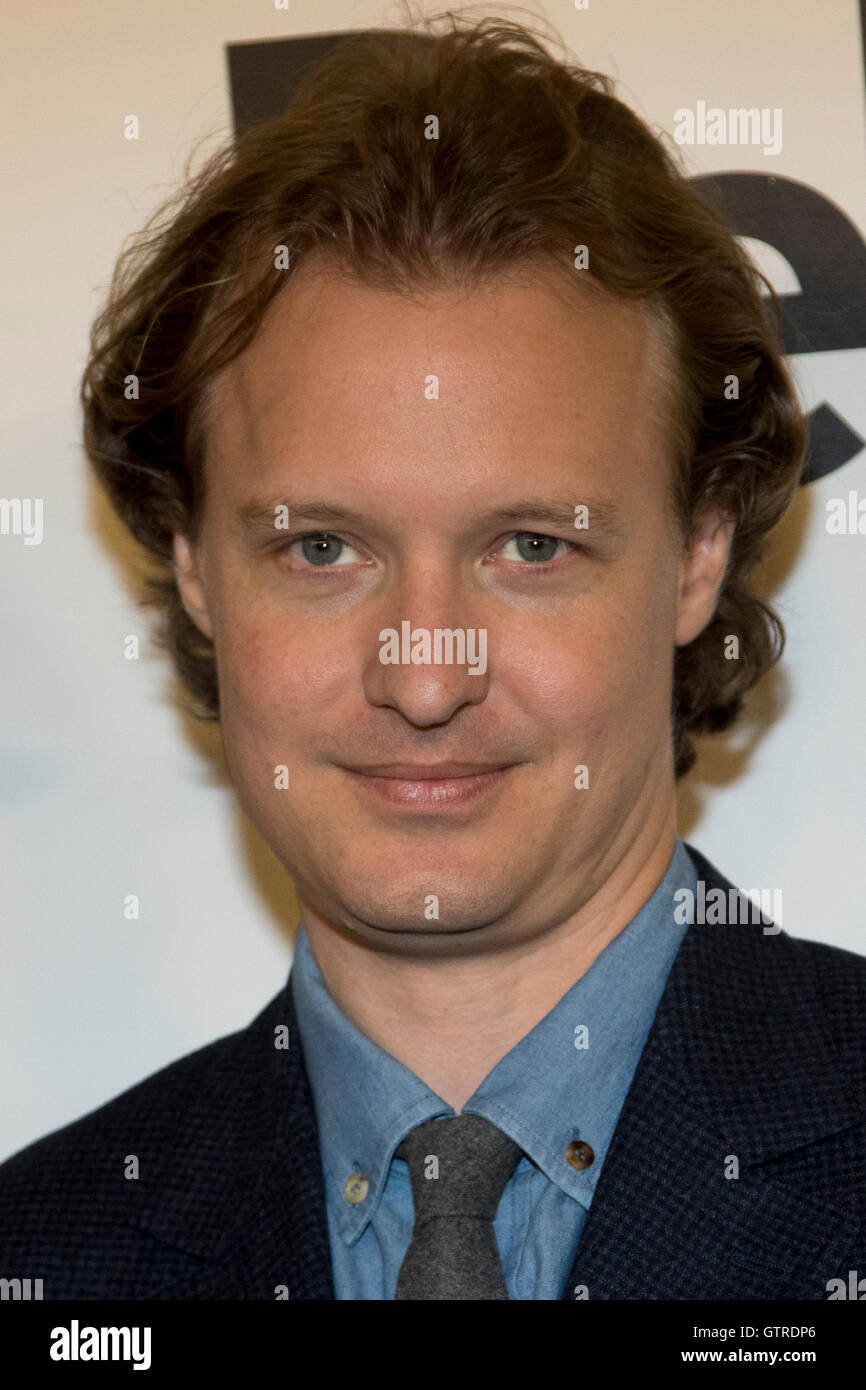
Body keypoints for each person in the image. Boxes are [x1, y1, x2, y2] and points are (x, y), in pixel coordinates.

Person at [1, 12, 864, 1301]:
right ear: (192, 563)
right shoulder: (46, 1259)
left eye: (528, 546)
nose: (421, 677)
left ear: (697, 554)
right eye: (321, 549)